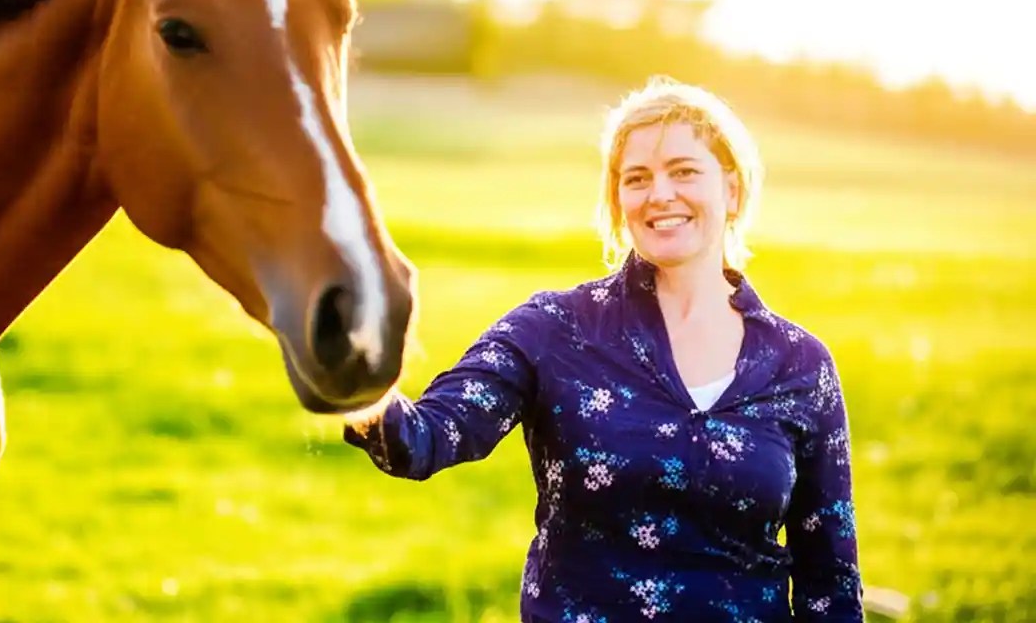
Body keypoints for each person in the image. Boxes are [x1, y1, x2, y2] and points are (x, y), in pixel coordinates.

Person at [343, 77, 863, 622]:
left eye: (684, 170)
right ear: (618, 201)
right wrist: (348, 363)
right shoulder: (554, 329)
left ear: (731, 189)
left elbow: (829, 580)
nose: (660, 194)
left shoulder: (800, 365)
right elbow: (426, 437)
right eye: (637, 178)